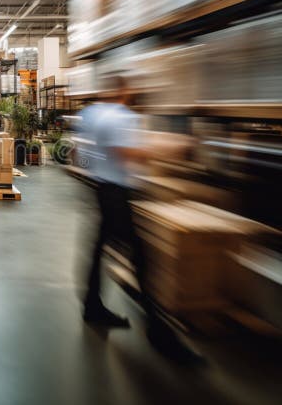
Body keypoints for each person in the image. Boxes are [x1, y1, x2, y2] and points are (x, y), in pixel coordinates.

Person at [81, 76, 202, 364]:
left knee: (99, 250)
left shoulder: (91, 113)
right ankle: (159, 333)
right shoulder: (121, 117)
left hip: (101, 188)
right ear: (124, 92)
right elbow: (126, 154)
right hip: (117, 195)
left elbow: (81, 152)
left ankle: (92, 305)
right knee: (142, 260)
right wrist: (171, 149)